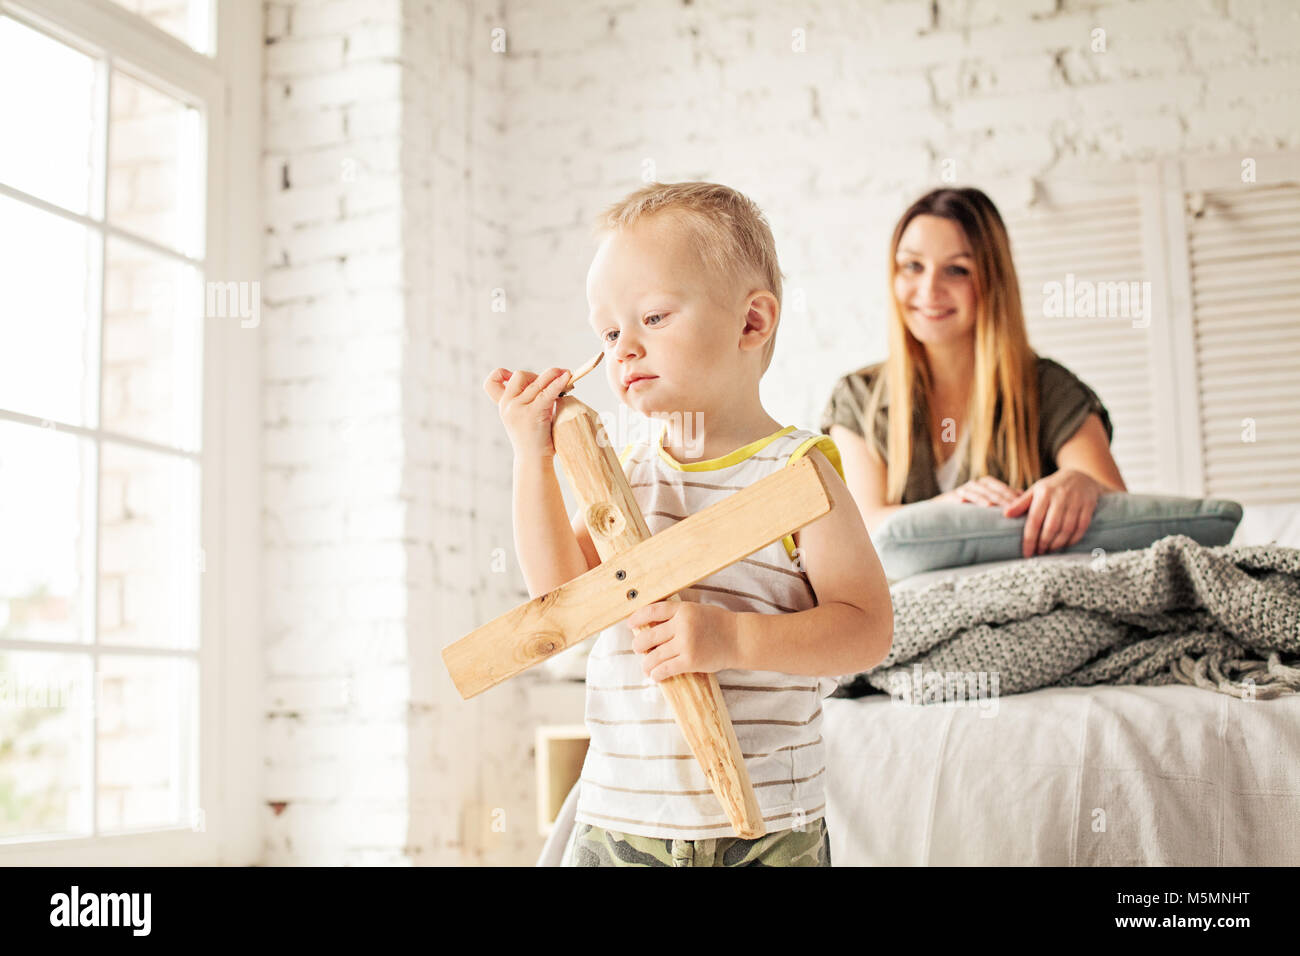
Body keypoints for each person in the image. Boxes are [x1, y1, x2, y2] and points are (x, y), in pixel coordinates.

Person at [484, 181, 893, 866]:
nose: (623, 350)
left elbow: (865, 631)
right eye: (609, 333)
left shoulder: (799, 476)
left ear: (751, 324)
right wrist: (533, 457)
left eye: (653, 318)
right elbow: (560, 603)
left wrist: (733, 636)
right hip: (620, 818)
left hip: (768, 829)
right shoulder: (626, 480)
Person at [820, 186, 1127, 559]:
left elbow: (1119, 506)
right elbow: (863, 527)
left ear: (993, 282)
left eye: (957, 270)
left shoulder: (1049, 388)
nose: (929, 289)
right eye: (913, 266)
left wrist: (1082, 484)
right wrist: (947, 510)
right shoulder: (858, 397)